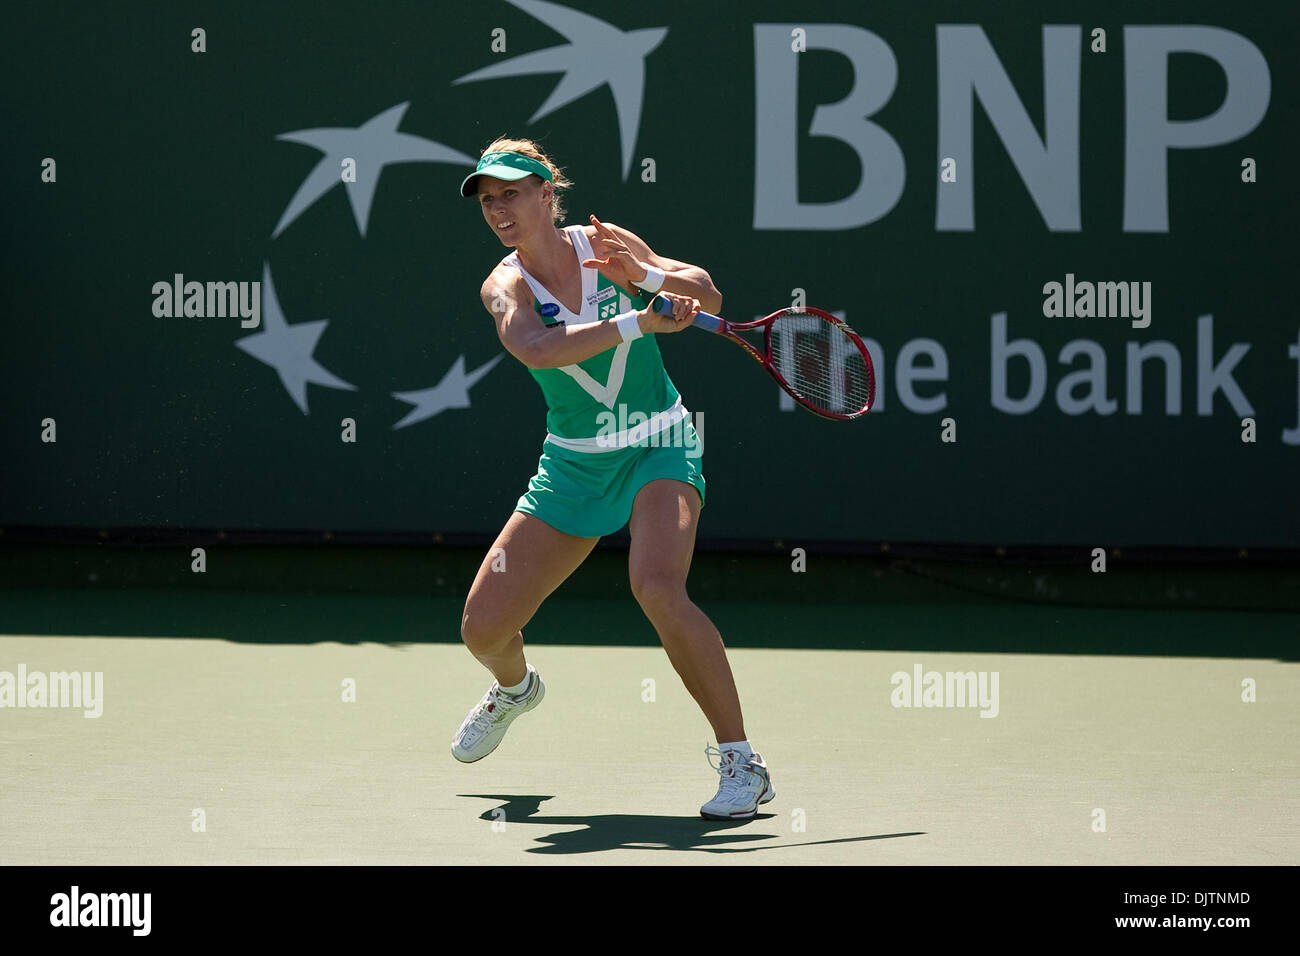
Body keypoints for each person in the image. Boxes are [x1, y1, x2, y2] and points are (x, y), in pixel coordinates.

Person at [449, 136, 775, 820]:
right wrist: (639, 319)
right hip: (573, 462)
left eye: (511, 192)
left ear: (546, 192)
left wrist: (646, 277)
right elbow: (538, 349)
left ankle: (743, 761)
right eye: (487, 198)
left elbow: (707, 292)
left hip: (660, 442)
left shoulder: (605, 244)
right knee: (482, 629)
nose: (499, 208)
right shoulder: (502, 286)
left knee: (656, 585)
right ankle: (515, 691)